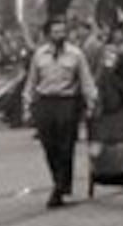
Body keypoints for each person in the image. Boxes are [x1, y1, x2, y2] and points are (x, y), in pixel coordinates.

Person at [23, 15, 99, 207]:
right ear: (48, 34)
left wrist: (92, 104)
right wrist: (27, 106)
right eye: (56, 32)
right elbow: (31, 83)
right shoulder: (39, 55)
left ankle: (59, 186)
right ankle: (60, 181)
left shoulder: (76, 54)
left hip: (67, 103)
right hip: (45, 103)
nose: (60, 35)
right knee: (49, 147)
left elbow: (86, 81)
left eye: (62, 31)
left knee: (66, 146)